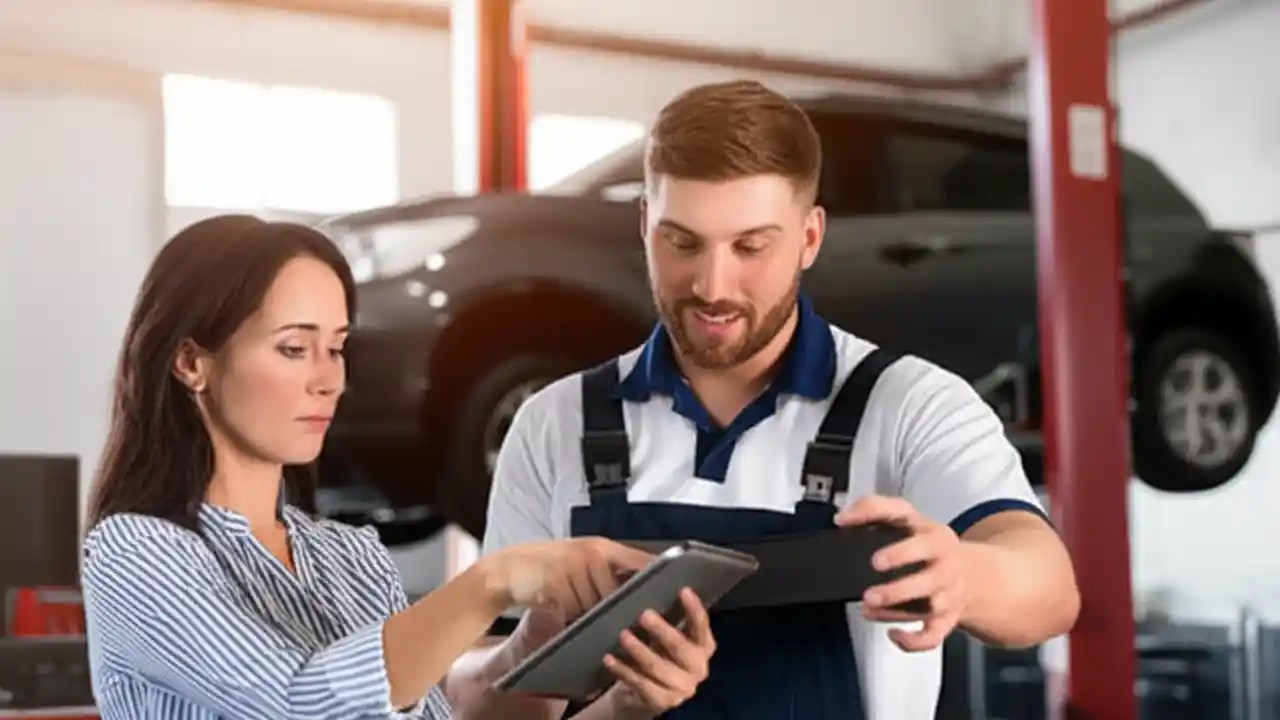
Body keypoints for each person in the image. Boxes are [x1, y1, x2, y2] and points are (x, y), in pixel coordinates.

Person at [446, 80, 1081, 719]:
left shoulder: (908, 405)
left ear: (810, 238)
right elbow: (483, 708)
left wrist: (962, 576)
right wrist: (530, 651)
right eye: (682, 242)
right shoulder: (555, 424)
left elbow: (1050, 588)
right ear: (644, 224)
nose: (712, 284)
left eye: (750, 246)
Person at [79, 214, 716, 720]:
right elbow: (302, 704)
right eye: (295, 348)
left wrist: (625, 704)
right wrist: (491, 582)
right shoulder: (136, 552)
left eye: (337, 348)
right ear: (192, 362)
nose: (328, 379)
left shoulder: (350, 558)